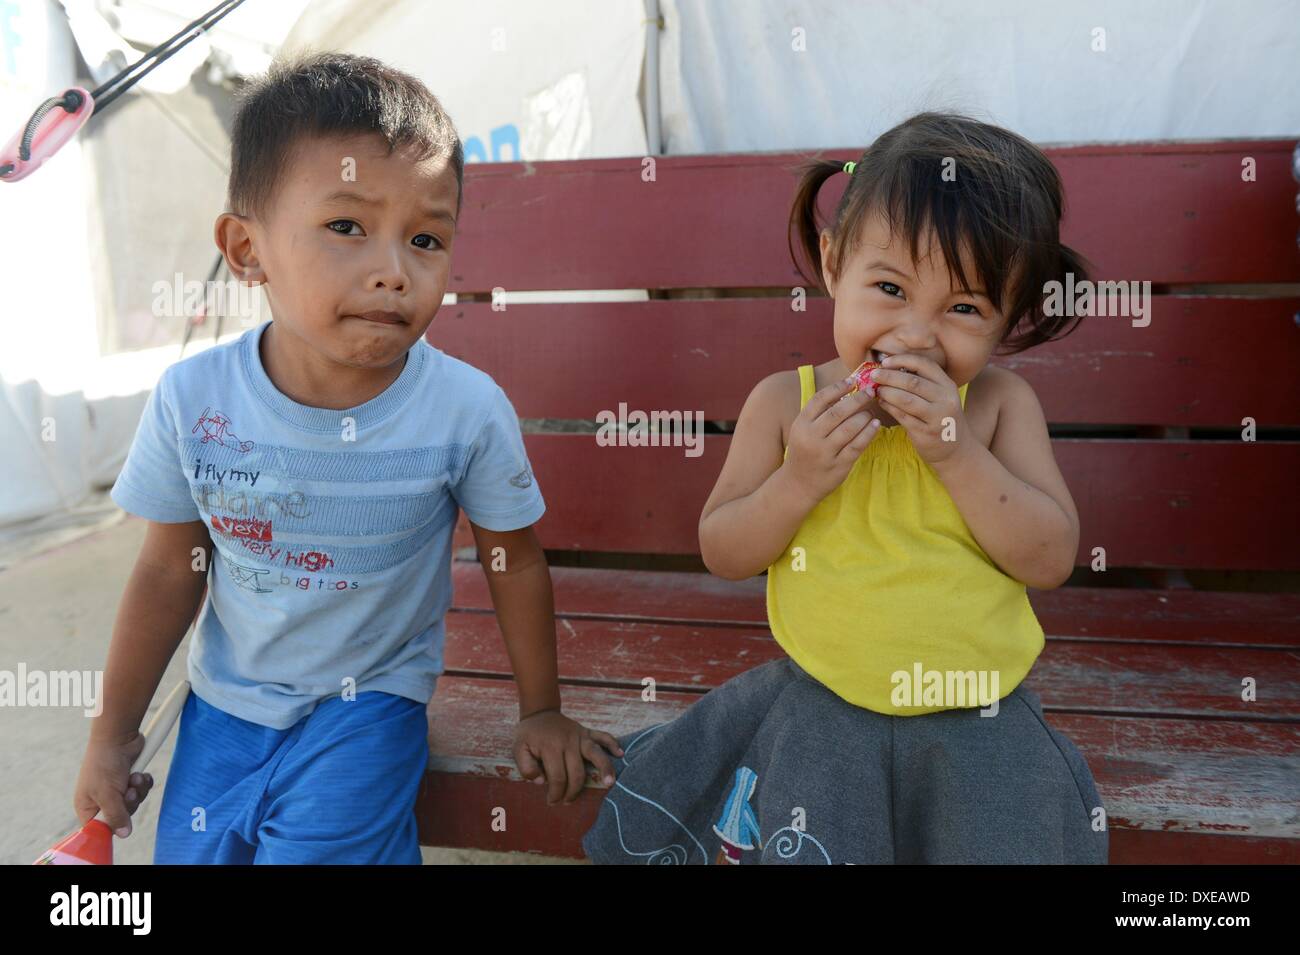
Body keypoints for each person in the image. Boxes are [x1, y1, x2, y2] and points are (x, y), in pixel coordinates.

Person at [74, 51, 622, 864]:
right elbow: (167, 571)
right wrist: (111, 738)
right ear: (246, 247)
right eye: (346, 227)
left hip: (368, 709)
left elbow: (512, 555)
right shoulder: (194, 400)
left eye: (426, 238)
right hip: (222, 711)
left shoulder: (463, 410)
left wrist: (539, 709)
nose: (393, 272)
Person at [582, 112, 1109, 865]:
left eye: (964, 308)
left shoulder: (997, 408)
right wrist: (798, 480)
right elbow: (724, 548)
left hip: (978, 716)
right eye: (890, 287)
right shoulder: (783, 404)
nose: (917, 335)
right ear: (834, 264)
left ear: (1008, 320)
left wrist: (957, 456)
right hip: (821, 710)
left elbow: (1051, 555)